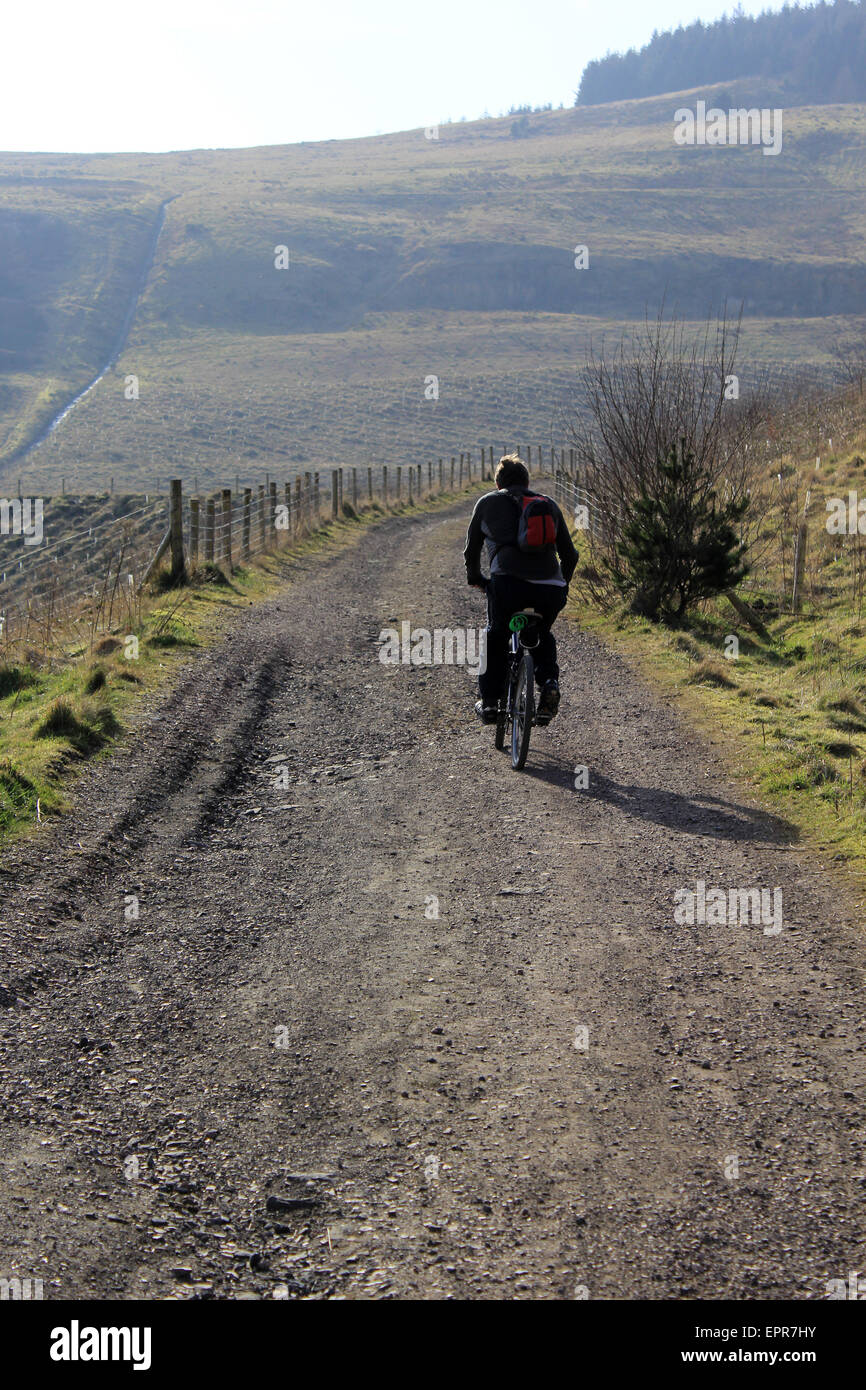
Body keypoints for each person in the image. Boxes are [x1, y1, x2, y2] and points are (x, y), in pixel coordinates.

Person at [463, 454, 577, 724]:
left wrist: (476, 578)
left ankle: (490, 703)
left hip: (508, 584)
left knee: (497, 634)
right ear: (527, 482)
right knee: (541, 632)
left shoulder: (488, 502)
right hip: (550, 588)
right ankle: (549, 682)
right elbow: (570, 556)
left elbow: (471, 550)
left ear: (498, 482)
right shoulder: (547, 504)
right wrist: (562, 586)